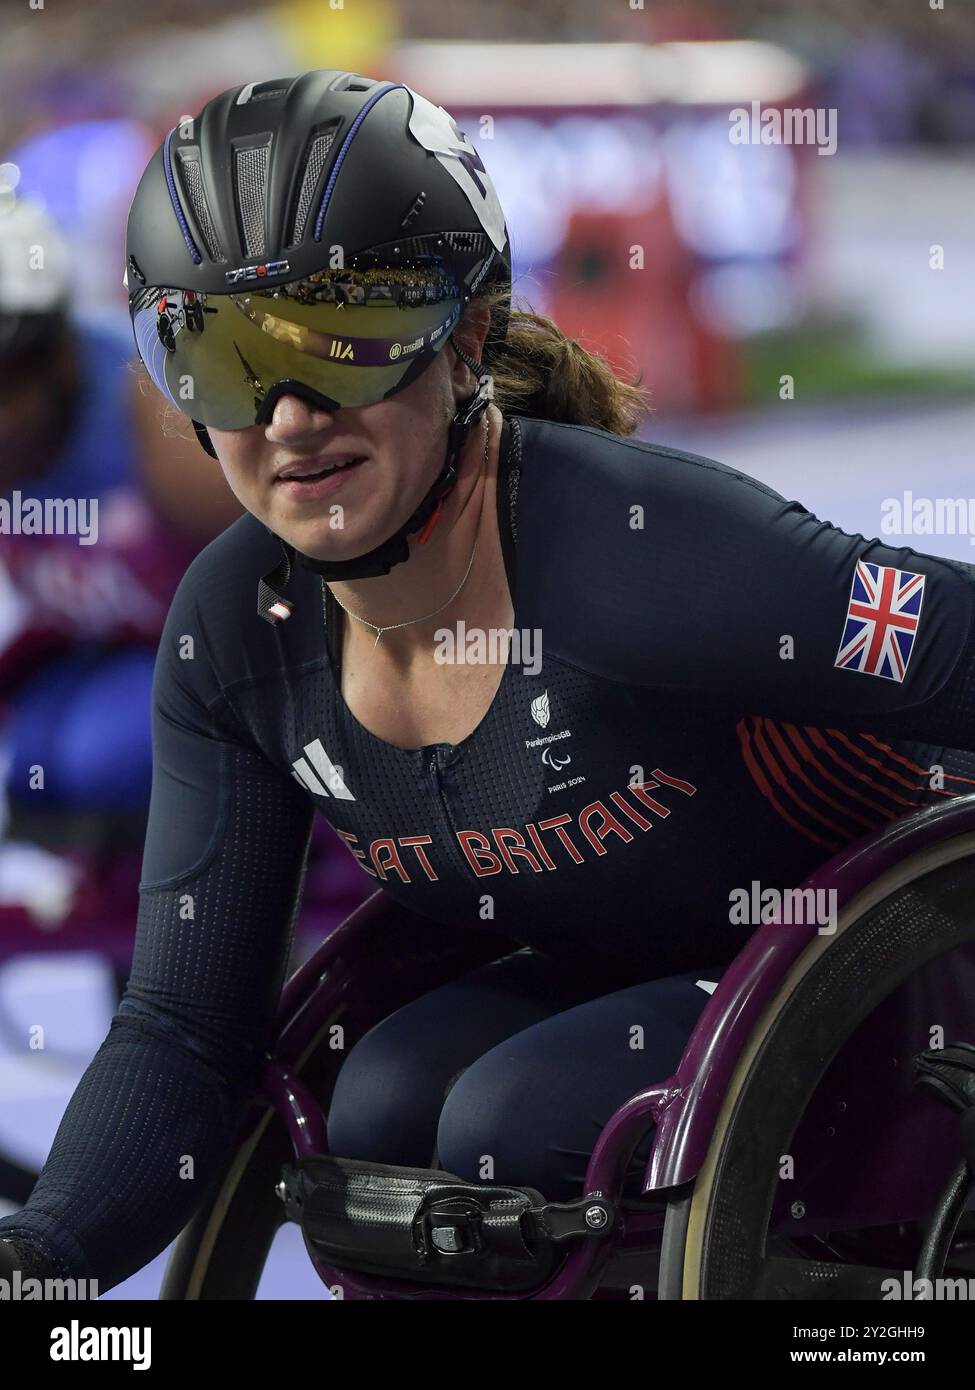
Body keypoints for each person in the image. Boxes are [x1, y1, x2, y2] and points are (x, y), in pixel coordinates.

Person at [3, 67, 975, 1295]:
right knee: (384, 1098)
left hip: (908, 990)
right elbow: (185, 1035)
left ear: (464, 337)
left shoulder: (645, 554)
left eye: (345, 336)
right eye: (230, 353)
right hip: (629, 981)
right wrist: (36, 1262)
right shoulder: (233, 631)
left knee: (509, 1121)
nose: (292, 414)